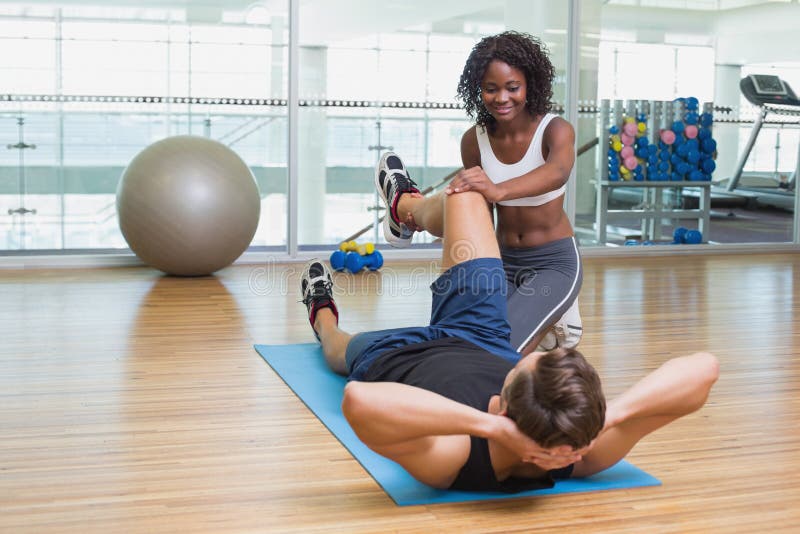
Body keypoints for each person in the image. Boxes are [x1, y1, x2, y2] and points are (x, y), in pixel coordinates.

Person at [300, 185, 719, 492]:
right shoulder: (584, 454)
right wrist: (597, 422)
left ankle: (320, 310)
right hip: (483, 334)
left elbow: (359, 401)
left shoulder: (456, 457)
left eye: (524, 366)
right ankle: (404, 207)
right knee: (467, 194)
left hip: (399, 354)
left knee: (337, 349)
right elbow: (705, 369)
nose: (528, 355)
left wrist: (494, 430)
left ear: (499, 405)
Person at [378, 31, 584, 355]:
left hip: (551, 263)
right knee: (459, 339)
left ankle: (556, 313)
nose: (502, 98)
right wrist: (454, 232)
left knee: (499, 350)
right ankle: (405, 206)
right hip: (501, 262)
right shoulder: (474, 140)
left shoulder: (555, 130)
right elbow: (481, 214)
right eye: (491, 89)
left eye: (512, 87)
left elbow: (557, 173)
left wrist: (498, 189)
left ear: (530, 84)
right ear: (479, 90)